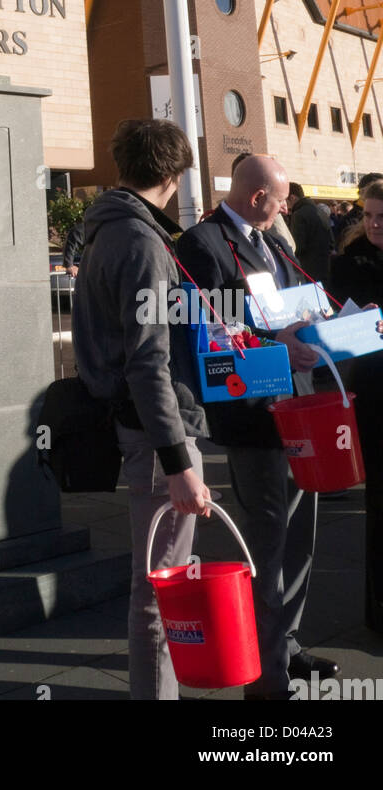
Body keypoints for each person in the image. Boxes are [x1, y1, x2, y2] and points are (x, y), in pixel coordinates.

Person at [176, 154, 335, 699]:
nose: (286, 206)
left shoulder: (277, 241)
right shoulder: (202, 243)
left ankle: (286, 648)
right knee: (265, 549)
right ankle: (267, 682)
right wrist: (279, 344)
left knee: (301, 542)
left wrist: (318, 322)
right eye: (280, 198)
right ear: (255, 196)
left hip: (300, 410)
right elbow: (210, 326)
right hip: (254, 417)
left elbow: (287, 303)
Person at [72, 118, 212, 700]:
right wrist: (178, 460)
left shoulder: (106, 230)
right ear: (173, 177)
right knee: (162, 589)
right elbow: (148, 364)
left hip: (137, 427)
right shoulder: (142, 244)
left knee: (155, 585)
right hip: (155, 434)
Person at [328, 178, 383, 633]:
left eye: (382, 216)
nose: (374, 223)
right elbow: (336, 322)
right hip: (374, 389)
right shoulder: (349, 260)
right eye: (367, 215)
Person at [286, 182, 332, 284]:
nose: (285, 205)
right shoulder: (320, 212)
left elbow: (297, 246)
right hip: (325, 267)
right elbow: (332, 242)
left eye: (286, 200)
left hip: (308, 269)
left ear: (292, 198)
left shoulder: (298, 214)